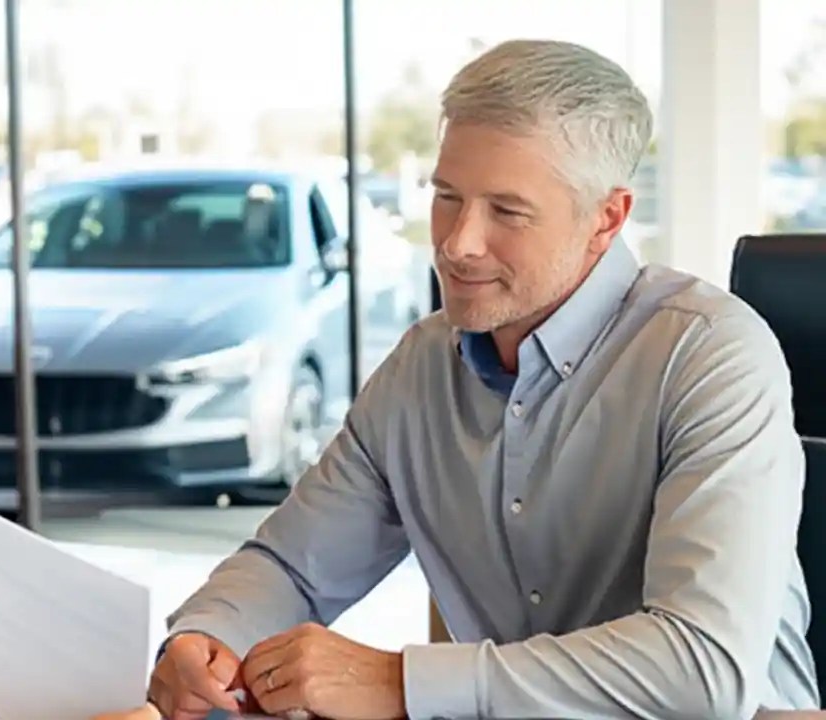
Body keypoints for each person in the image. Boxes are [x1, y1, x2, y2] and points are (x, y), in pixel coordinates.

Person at [144, 39, 821, 720]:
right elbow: (292, 567)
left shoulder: (707, 354)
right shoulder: (421, 368)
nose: (457, 242)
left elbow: (702, 671)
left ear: (606, 218)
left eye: (507, 211)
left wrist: (400, 683)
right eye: (446, 197)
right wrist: (207, 636)